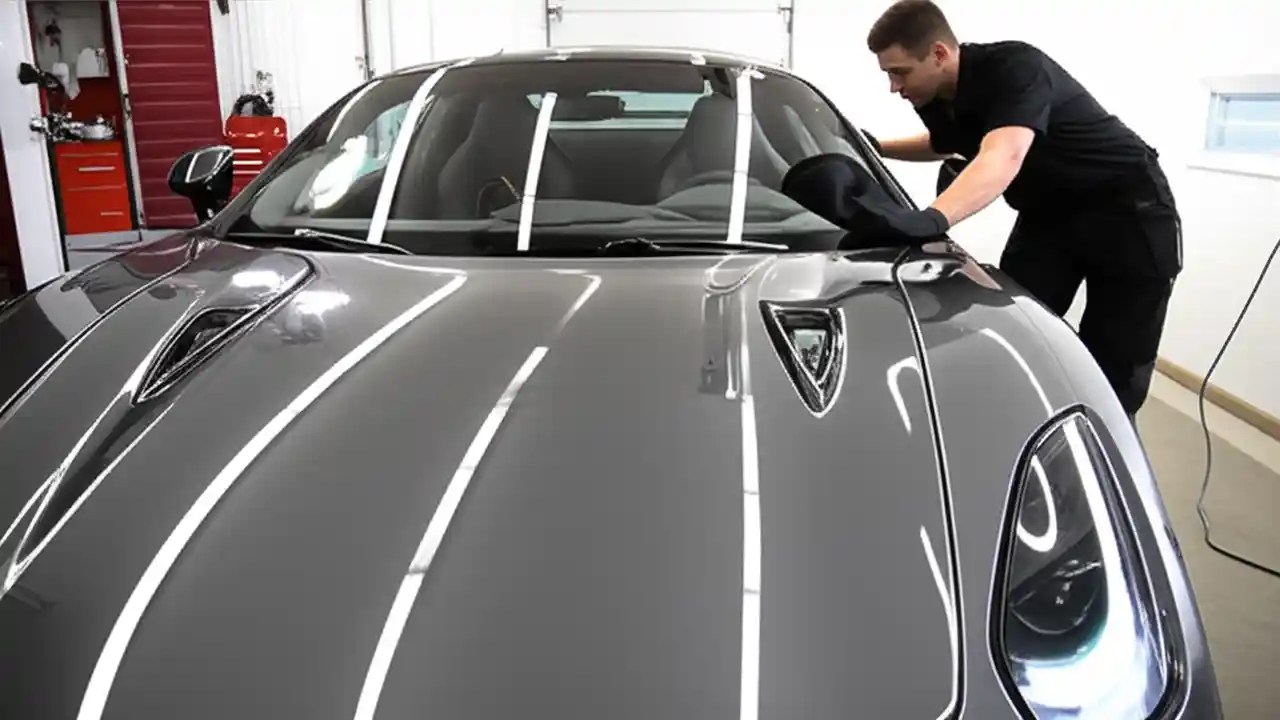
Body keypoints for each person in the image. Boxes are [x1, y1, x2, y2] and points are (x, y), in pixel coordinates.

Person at [861, 0, 1182, 418]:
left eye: (899, 72)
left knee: (1114, 361)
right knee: (1017, 323)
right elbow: (951, 143)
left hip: (1127, 211)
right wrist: (878, 149)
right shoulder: (933, 92)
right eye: (888, 74)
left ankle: (1104, 449)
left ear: (939, 54)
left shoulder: (1015, 67)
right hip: (1051, 214)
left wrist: (929, 221)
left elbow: (1003, 155)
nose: (894, 87)